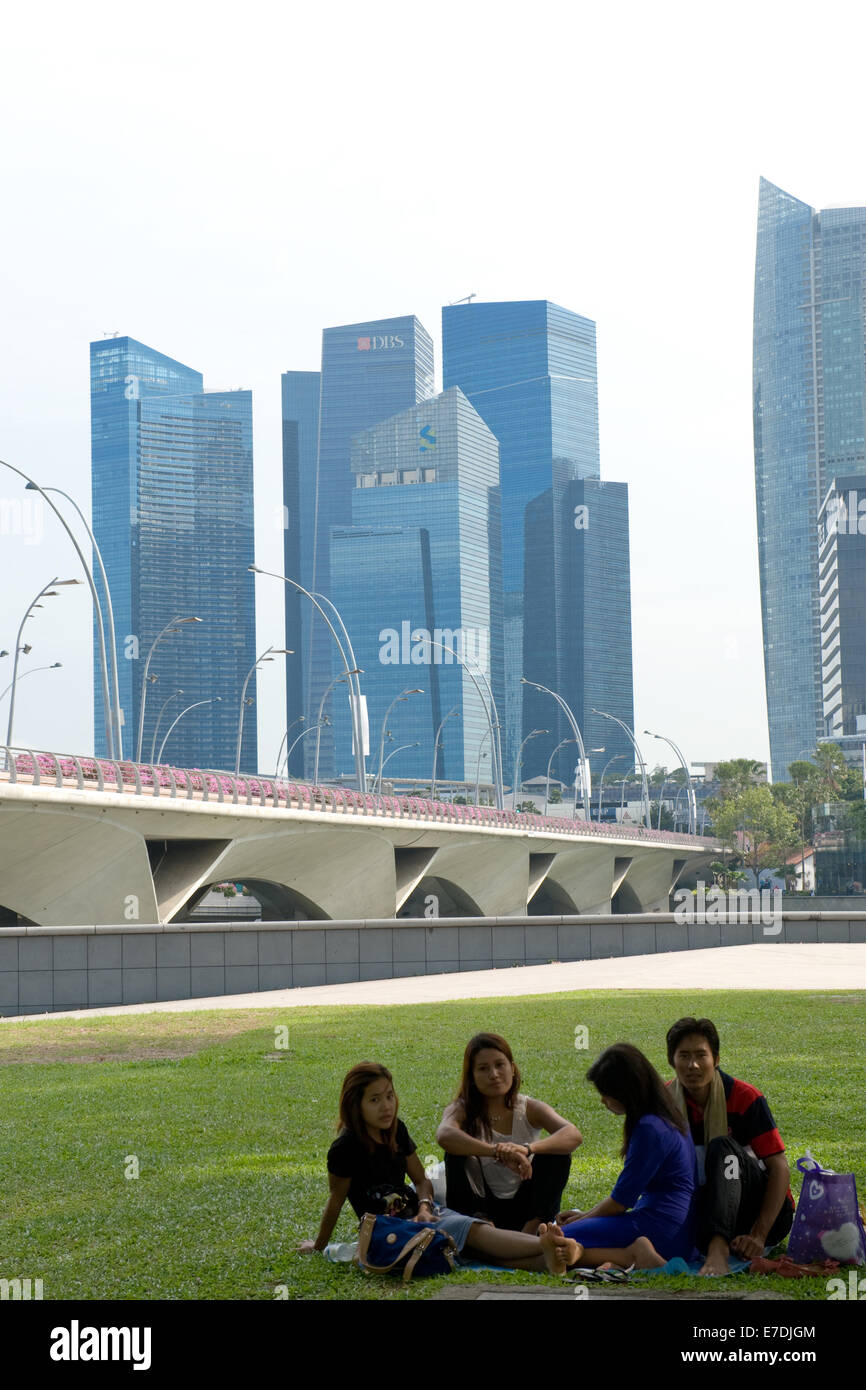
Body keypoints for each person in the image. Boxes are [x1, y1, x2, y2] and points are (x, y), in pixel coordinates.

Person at [297, 1061, 561, 1270]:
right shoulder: (345, 1149)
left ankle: (552, 1258)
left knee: (474, 1242)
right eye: (375, 1100)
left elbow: (421, 1180)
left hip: (422, 1213)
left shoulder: (396, 1130)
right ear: (356, 1105)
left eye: (389, 1096)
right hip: (390, 1230)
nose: (386, 1106)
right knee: (473, 1234)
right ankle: (552, 1246)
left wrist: (424, 1207)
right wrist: (319, 1246)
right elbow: (336, 1200)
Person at [538, 1043, 699, 1274]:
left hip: (662, 1230)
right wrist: (585, 1216)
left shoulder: (650, 1128)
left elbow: (620, 1202)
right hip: (679, 1231)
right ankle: (627, 1254)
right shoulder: (668, 1116)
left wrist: (580, 1222)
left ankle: (495, 1252)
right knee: (560, 1240)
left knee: (556, 1238)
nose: (603, 1101)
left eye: (606, 1093)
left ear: (626, 1092)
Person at [665, 1016, 794, 1277]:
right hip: (706, 1205)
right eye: (684, 1056)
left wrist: (758, 1234)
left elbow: (779, 1167)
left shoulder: (745, 1098)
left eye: (701, 1055)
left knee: (723, 1148)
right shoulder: (665, 1103)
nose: (693, 1065)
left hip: (760, 1210)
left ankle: (718, 1249)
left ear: (716, 1059)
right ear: (671, 1061)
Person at [436, 1032, 582, 1233]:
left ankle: (530, 1231)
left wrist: (526, 1149)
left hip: (526, 1208)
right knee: (455, 1154)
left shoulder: (529, 1108)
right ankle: (483, 1229)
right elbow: (444, 1135)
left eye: (499, 1065)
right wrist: (498, 1151)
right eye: (483, 1068)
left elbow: (573, 1134)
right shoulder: (462, 1109)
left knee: (558, 1154)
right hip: (480, 1207)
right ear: (472, 1077)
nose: (494, 1074)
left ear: (512, 1069)